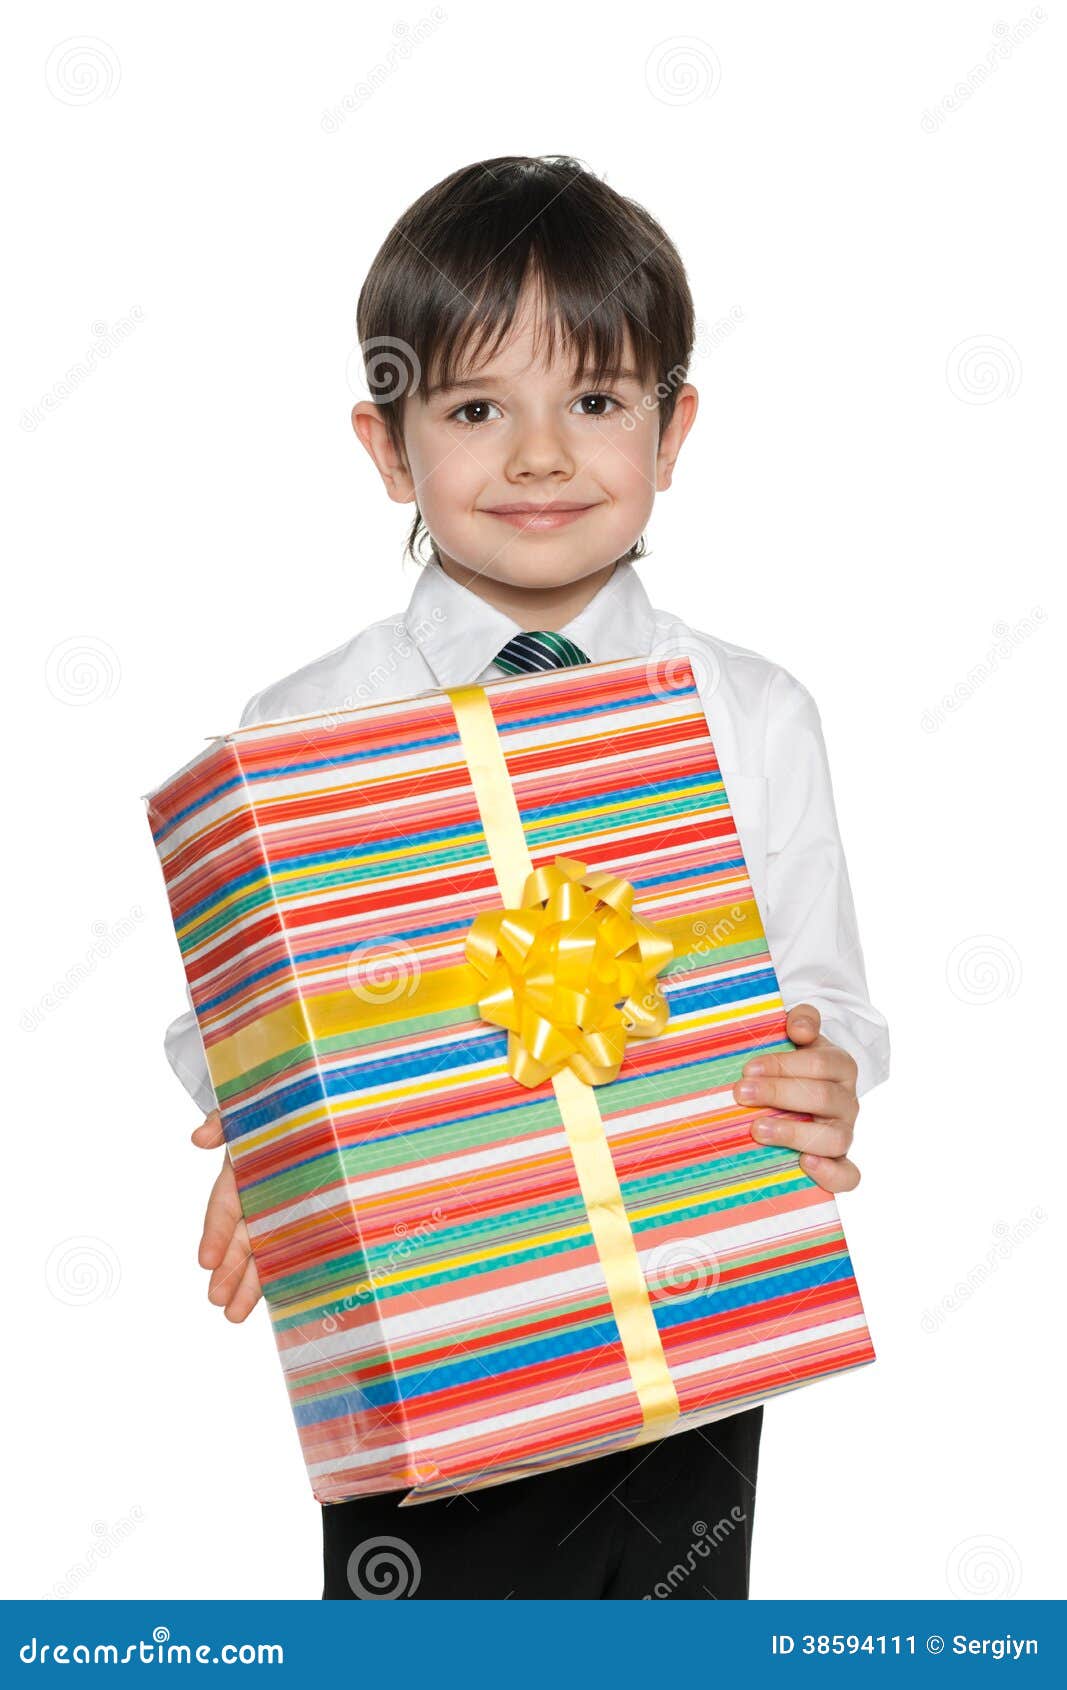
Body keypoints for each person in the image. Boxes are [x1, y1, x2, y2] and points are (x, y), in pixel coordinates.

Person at [163, 155, 890, 1600]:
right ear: (388, 447)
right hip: (421, 1302)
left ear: (676, 429)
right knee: (424, 1635)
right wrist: (269, 1123)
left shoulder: (749, 708)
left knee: (665, 1634)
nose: (542, 456)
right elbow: (226, 1009)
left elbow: (825, 988)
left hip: (689, 1295)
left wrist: (826, 1064)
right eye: (478, 408)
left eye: (599, 402)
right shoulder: (302, 727)